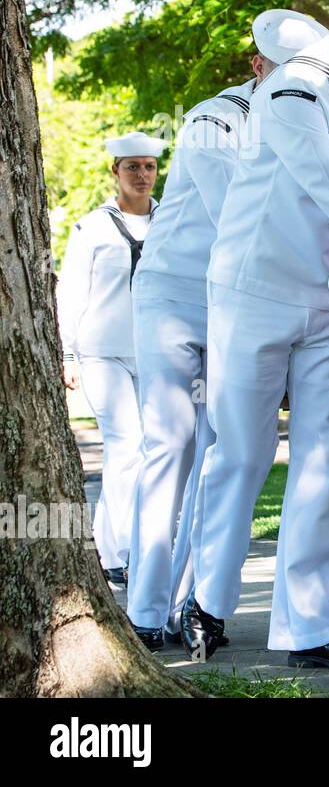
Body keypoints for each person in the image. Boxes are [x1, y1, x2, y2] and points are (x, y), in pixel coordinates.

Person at [180, 0, 329, 667]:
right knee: (241, 453)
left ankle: (306, 626)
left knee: (320, 460)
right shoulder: (294, 89)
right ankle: (207, 600)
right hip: (256, 292)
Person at [125, 10, 329, 650]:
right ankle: (143, 609)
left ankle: (197, 601)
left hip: (240, 304)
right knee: (171, 447)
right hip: (180, 296)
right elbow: (233, 216)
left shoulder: (319, 111)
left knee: (229, 453)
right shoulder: (215, 119)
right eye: (278, 70)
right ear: (256, 67)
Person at [57, 133, 162, 584]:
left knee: (156, 450)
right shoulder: (92, 227)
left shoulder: (172, 221)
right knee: (126, 447)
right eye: (132, 167)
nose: (141, 175)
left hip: (158, 354)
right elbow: (71, 292)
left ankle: (127, 543)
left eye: (149, 166)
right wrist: (67, 354)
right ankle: (115, 552)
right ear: (114, 172)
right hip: (103, 352)